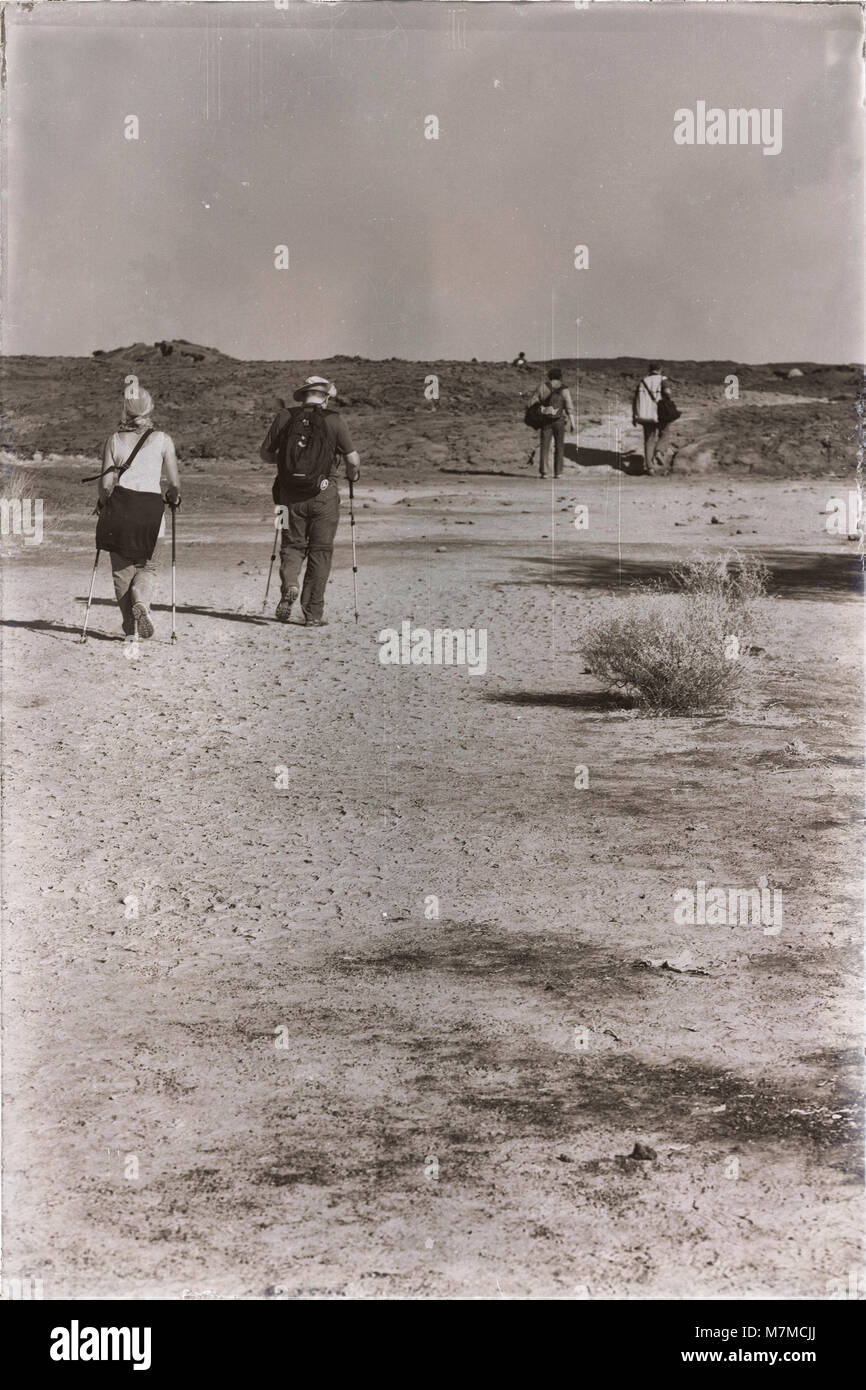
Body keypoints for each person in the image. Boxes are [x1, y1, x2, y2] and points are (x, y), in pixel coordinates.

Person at [259, 375, 361, 626]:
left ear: (303, 395)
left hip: (287, 497)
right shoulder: (334, 419)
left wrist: (290, 463)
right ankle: (313, 614)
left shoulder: (285, 416)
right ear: (325, 397)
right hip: (324, 496)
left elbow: (265, 454)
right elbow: (352, 459)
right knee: (321, 551)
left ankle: (290, 584)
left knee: (291, 545)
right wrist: (352, 475)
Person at [96, 387, 180, 639]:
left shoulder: (113, 440)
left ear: (125, 410)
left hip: (120, 510)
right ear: (149, 408)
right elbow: (174, 484)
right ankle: (141, 601)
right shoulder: (163, 440)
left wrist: (103, 505)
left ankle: (130, 627)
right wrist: (174, 498)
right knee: (148, 567)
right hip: (150, 512)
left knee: (122, 572)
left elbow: (106, 484)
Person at [529, 367, 576, 479]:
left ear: (549, 376)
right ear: (560, 377)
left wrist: (543, 410)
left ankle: (544, 472)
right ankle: (558, 472)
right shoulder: (564, 389)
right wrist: (573, 423)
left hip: (546, 420)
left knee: (545, 446)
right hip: (559, 421)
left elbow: (532, 403)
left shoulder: (542, 387)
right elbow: (569, 407)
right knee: (559, 447)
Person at [632, 363, 675, 475]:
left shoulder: (642, 381)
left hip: (646, 414)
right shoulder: (663, 379)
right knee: (664, 433)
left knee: (649, 440)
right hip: (660, 413)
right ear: (660, 370)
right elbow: (667, 392)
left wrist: (634, 416)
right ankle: (659, 451)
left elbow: (635, 400)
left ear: (650, 370)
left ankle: (650, 468)